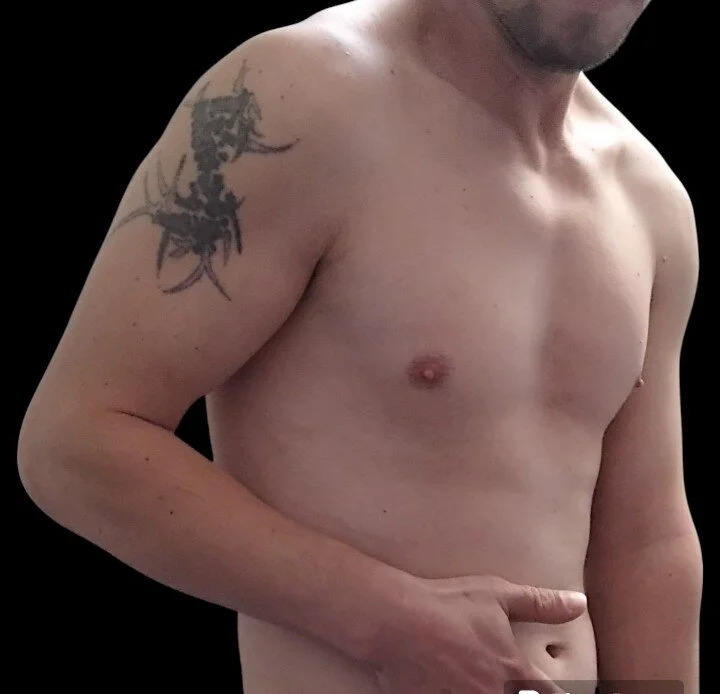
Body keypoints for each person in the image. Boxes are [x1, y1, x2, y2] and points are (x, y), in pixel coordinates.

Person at [17, 0, 701, 692]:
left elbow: (645, 543)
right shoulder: (299, 98)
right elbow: (74, 441)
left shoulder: (649, 198)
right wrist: (381, 621)